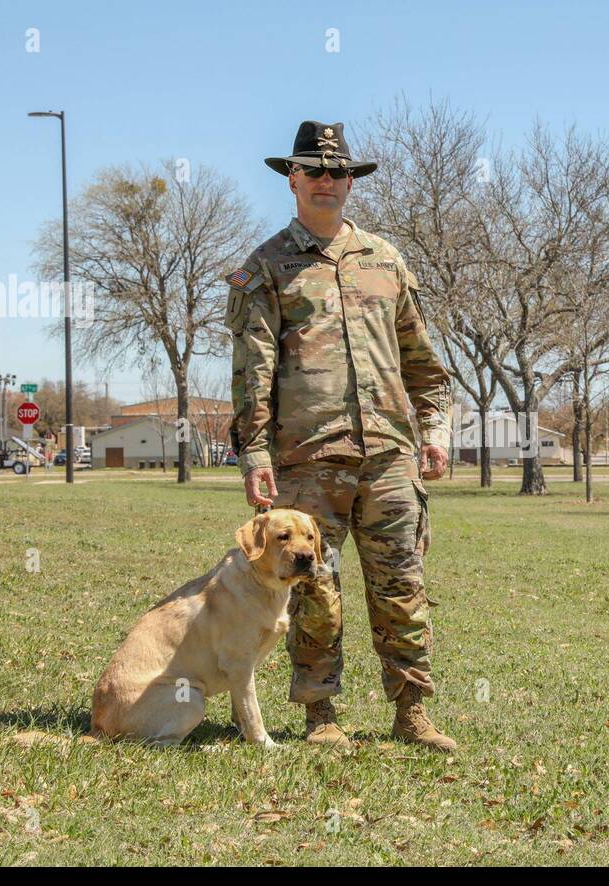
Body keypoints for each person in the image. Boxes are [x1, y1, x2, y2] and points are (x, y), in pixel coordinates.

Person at [223, 120, 457, 751]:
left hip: (388, 457)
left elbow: (422, 360)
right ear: (292, 179)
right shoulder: (267, 267)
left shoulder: (386, 259)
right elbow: (253, 370)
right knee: (315, 592)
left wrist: (433, 428)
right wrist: (254, 452)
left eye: (338, 172)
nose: (327, 181)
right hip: (307, 460)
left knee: (403, 585)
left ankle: (412, 713)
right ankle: (320, 715)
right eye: (314, 171)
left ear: (350, 181)